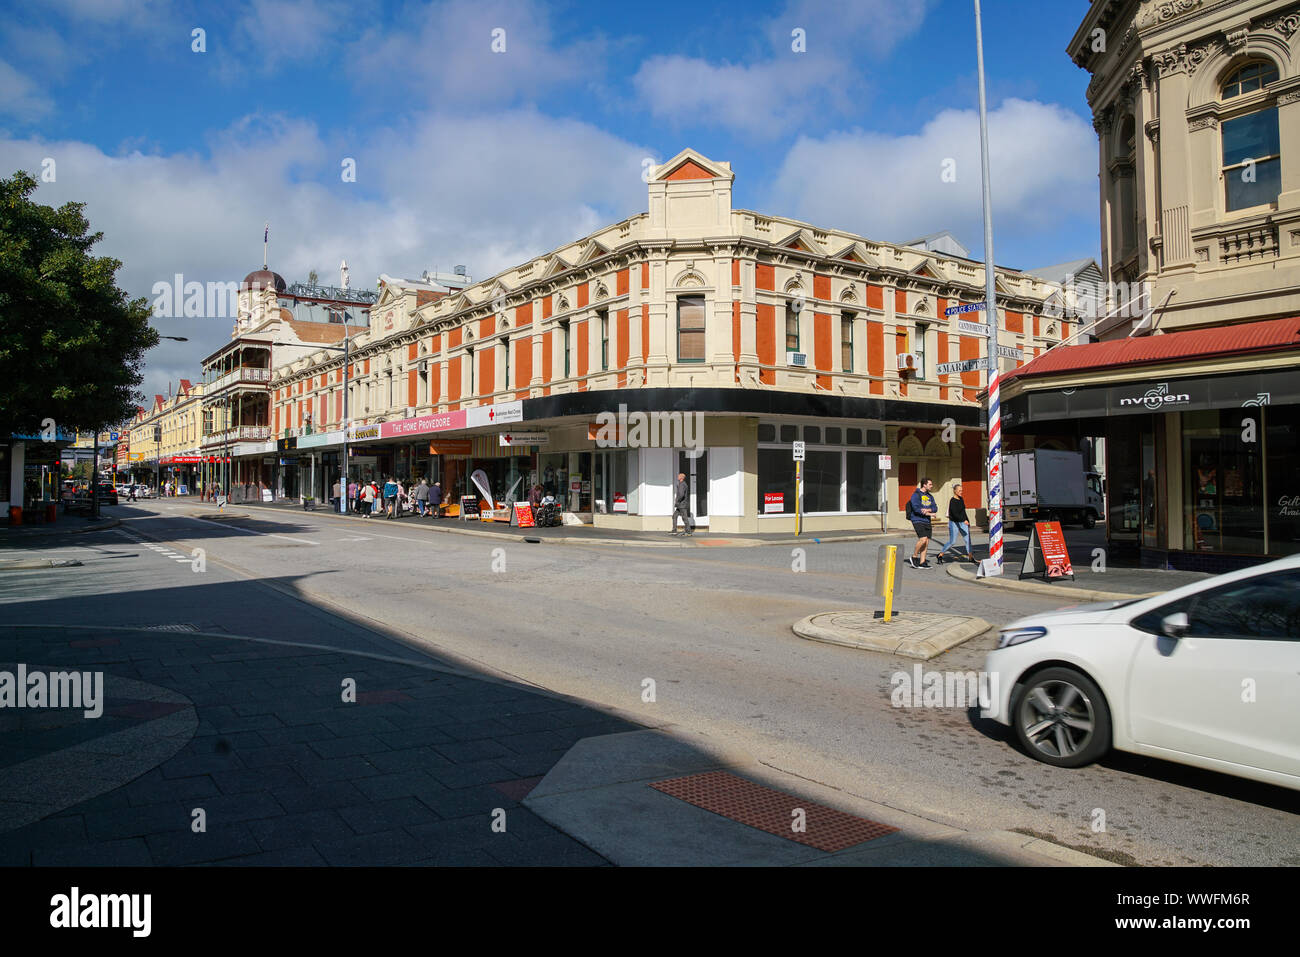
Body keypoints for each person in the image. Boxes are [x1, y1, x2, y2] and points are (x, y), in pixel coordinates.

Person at [936, 482, 975, 564]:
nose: (961, 492)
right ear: (955, 491)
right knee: (952, 542)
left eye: (962, 490)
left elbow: (963, 511)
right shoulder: (952, 501)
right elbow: (954, 514)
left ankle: (971, 557)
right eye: (959, 490)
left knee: (968, 540)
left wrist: (967, 521)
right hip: (954, 522)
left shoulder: (961, 499)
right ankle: (940, 555)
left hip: (963, 522)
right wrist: (963, 520)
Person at [906, 478, 938, 568]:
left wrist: (928, 510)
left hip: (927, 520)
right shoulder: (916, 495)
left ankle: (922, 562)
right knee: (923, 539)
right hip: (917, 519)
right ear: (924, 485)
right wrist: (930, 513)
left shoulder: (930, 496)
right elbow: (916, 509)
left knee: (926, 541)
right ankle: (914, 557)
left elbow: (935, 508)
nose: (931, 486)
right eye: (930, 484)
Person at [672, 471, 695, 537]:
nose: (678, 477)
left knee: (684, 518)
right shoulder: (681, 484)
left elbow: (681, 494)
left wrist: (677, 501)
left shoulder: (682, 484)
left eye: (679, 476)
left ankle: (688, 532)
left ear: (681, 477)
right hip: (680, 505)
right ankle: (674, 530)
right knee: (674, 516)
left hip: (681, 505)